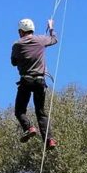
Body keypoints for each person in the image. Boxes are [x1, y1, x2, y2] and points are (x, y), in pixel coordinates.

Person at [11, 17, 59, 149]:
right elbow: (54, 39)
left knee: (19, 111)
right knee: (40, 112)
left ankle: (29, 128)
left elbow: (13, 62)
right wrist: (51, 27)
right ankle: (49, 140)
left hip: (26, 80)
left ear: (21, 31)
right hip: (39, 81)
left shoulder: (17, 44)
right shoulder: (41, 40)